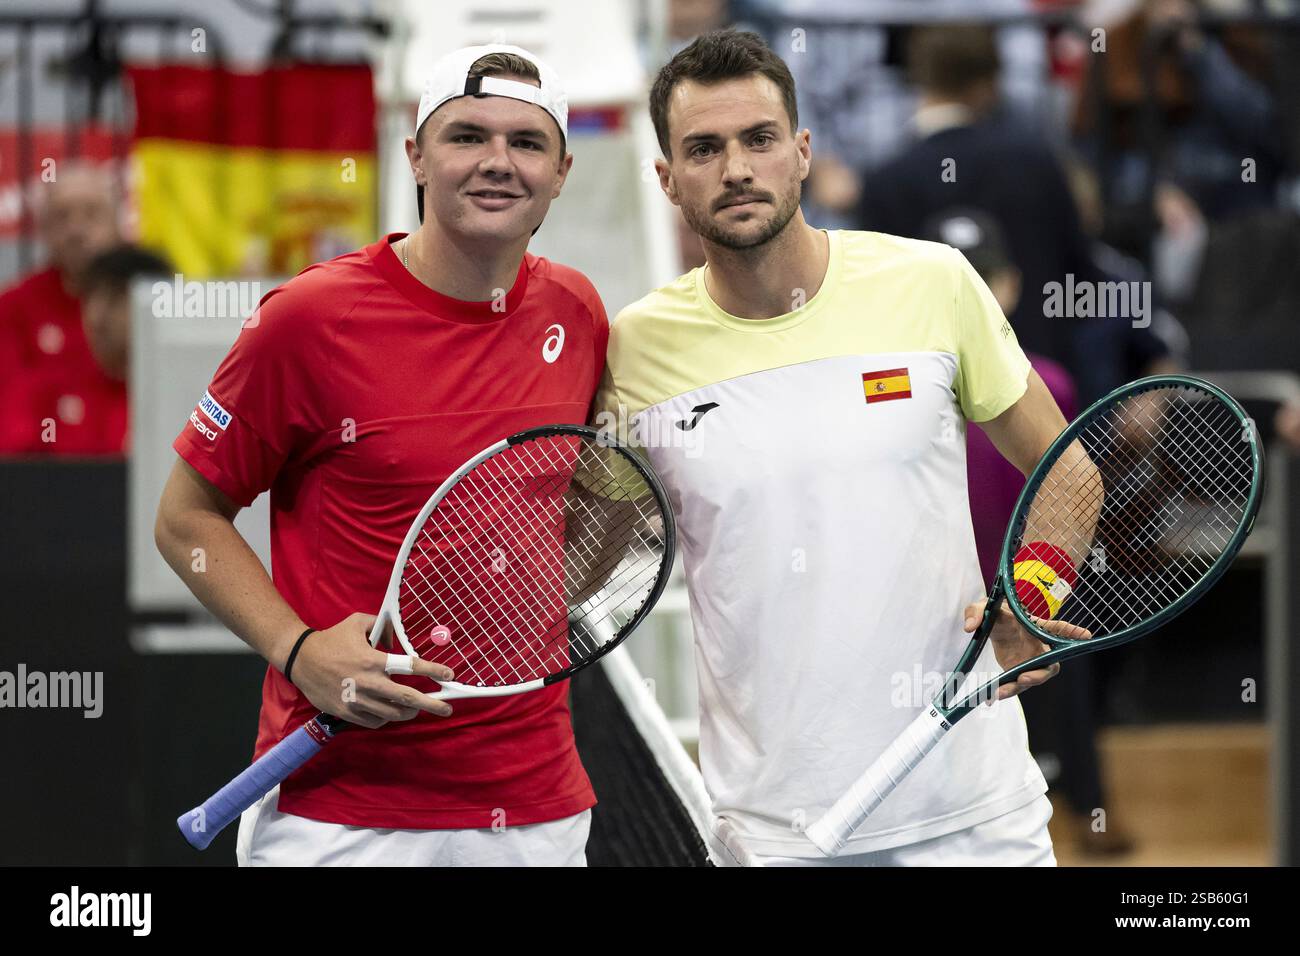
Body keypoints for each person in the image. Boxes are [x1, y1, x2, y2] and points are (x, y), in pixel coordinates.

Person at [597, 29, 1088, 866]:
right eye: (704, 149)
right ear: (667, 179)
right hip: (773, 835)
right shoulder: (636, 348)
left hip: (976, 819)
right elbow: (602, 547)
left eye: (758, 140)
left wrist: (1032, 592)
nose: (736, 168)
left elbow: (1068, 469)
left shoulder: (931, 280)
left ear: (802, 152)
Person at [155, 44, 609, 866]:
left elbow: (567, 521)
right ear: (415, 156)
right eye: (466, 136)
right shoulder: (307, 320)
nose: (497, 163)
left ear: (562, 170)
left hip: (536, 810)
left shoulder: (577, 311)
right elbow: (185, 519)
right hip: (338, 815)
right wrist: (298, 650)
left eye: (526, 143)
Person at [0, 163, 124, 455]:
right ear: (43, 229)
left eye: (91, 214)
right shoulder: (14, 307)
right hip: (36, 478)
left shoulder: (143, 304)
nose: (76, 229)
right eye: (62, 216)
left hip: (133, 473)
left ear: (119, 225)